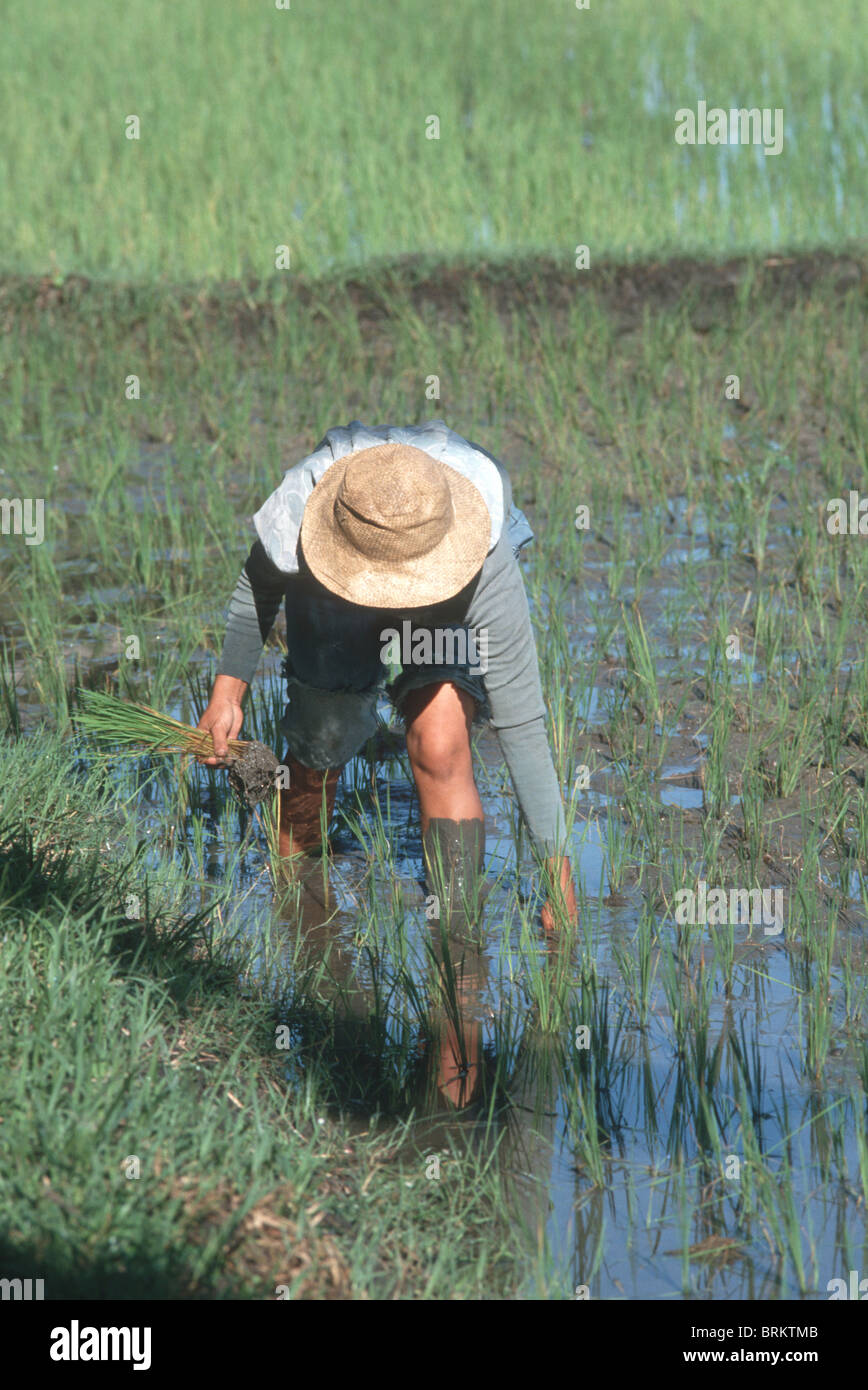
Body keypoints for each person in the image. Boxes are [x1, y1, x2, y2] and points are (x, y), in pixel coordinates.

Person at [197, 419, 577, 931]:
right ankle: (298, 905)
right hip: (334, 591)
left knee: (442, 742)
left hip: (446, 594)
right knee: (320, 743)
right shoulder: (303, 515)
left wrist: (559, 881)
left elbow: (522, 724)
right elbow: (257, 588)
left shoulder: (481, 557)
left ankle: (455, 933)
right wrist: (228, 693)